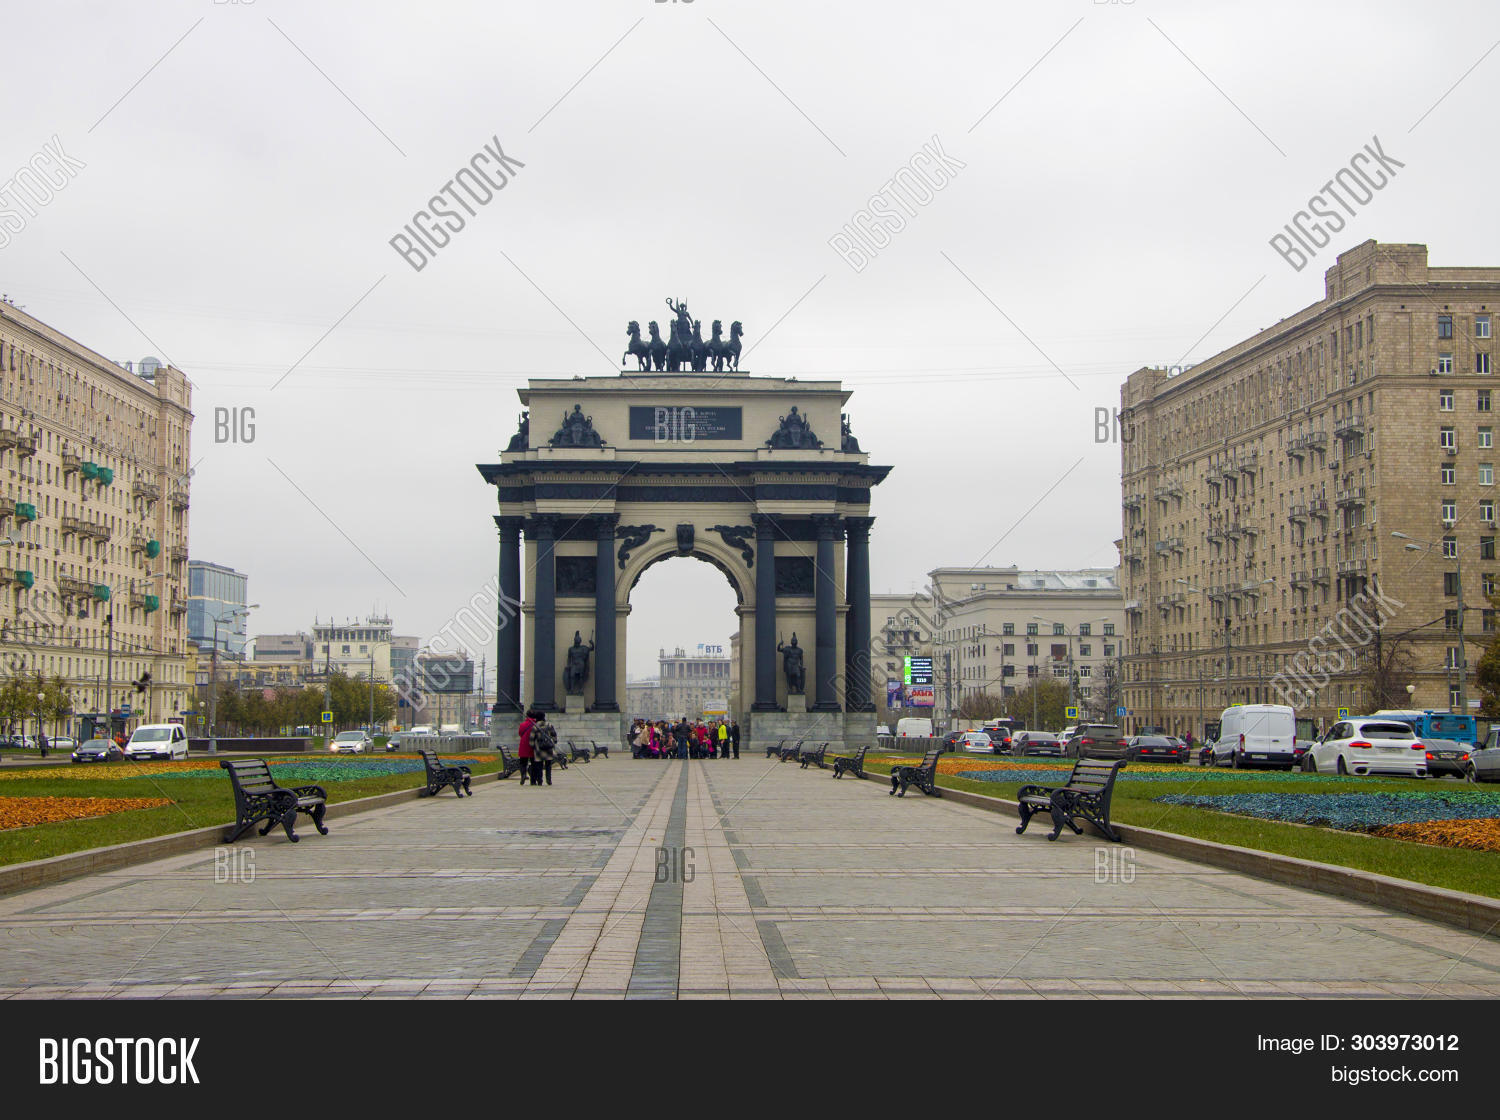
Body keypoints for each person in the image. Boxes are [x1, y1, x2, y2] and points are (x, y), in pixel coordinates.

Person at [531, 712, 556, 785]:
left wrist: (533, 746)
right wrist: (552, 743)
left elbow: (532, 738)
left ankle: (540, 780)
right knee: (548, 765)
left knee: (539, 765)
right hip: (548, 748)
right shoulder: (549, 725)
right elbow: (554, 735)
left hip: (539, 748)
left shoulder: (535, 726)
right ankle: (549, 780)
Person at [518, 708, 537, 785]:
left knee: (523, 762)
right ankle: (533, 780)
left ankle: (523, 775)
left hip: (523, 745)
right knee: (533, 763)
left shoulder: (522, 724)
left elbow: (520, 733)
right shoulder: (536, 725)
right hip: (533, 745)